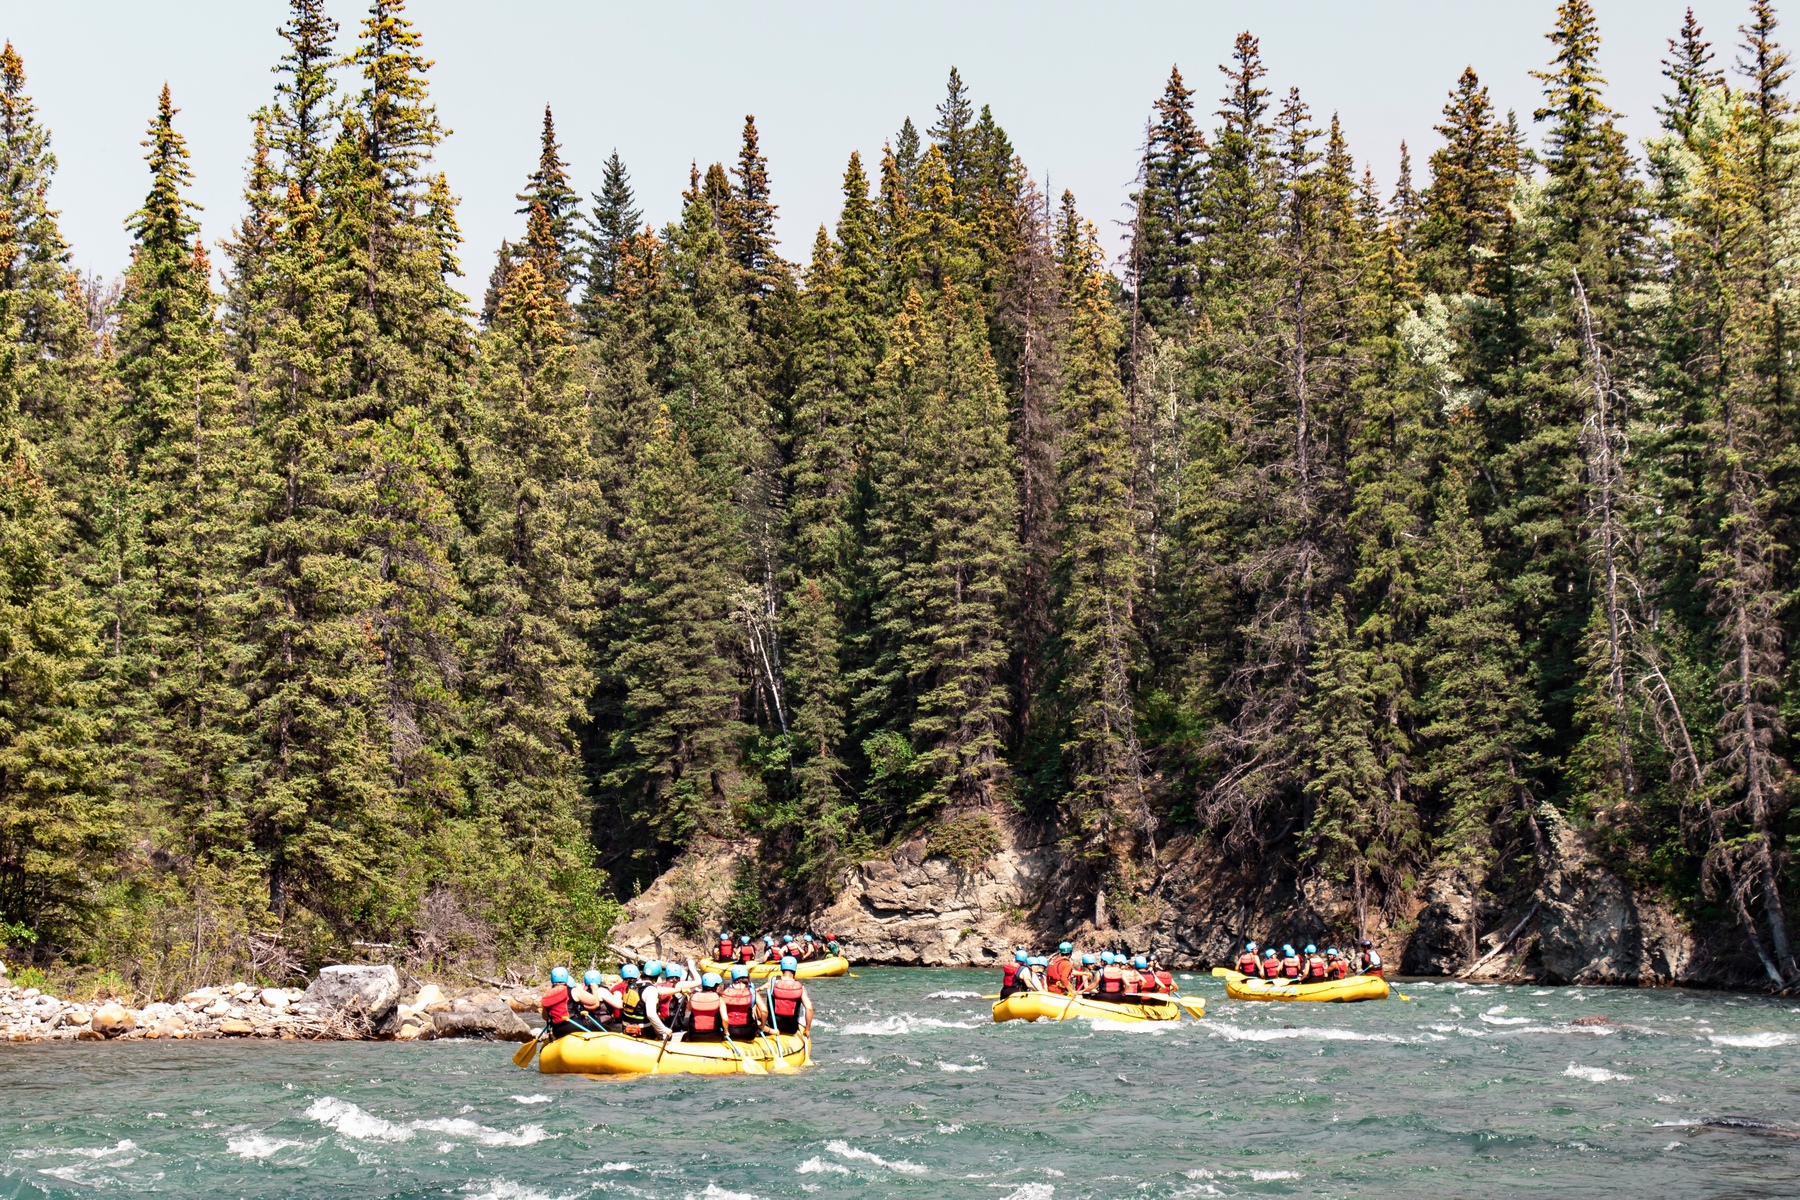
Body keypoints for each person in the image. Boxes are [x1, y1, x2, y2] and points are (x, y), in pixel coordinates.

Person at [766, 956, 813, 1036]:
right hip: (791, 1028)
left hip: (773, 1024)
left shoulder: (772, 981)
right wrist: (807, 1029)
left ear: (781, 967)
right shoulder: (800, 987)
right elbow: (809, 1008)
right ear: (795, 969)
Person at [539, 967, 583, 1039]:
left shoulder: (548, 995)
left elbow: (545, 1017)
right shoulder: (573, 991)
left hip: (557, 1029)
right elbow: (593, 1002)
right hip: (575, 1025)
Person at [721, 964, 761, 1039]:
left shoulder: (725, 989)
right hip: (748, 1032)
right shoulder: (751, 991)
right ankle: (768, 1029)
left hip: (729, 1031)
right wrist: (761, 1027)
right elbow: (764, 1011)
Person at [685, 972, 727, 1041]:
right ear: (715, 986)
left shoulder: (693, 997)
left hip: (694, 1036)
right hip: (714, 1036)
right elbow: (725, 1019)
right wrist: (726, 1031)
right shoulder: (719, 999)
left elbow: (689, 1009)